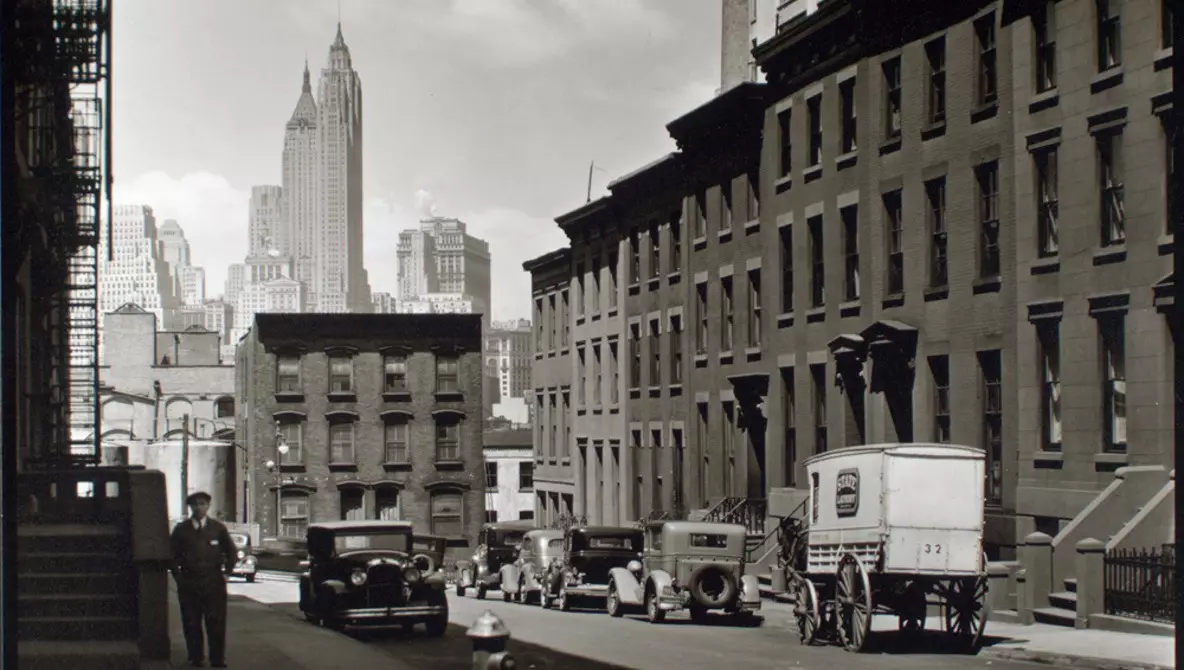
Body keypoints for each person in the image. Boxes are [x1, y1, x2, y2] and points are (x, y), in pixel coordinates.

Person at [170, 491, 236, 668]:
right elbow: (172, 556)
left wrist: (227, 573)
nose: (199, 507)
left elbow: (232, 552)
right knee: (191, 622)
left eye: (202, 504)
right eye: (195, 504)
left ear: (208, 506)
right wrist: (179, 578)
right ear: (190, 507)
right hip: (189, 582)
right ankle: (196, 656)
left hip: (213, 582)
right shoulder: (181, 530)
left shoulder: (218, 528)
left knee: (216, 621)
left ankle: (217, 658)